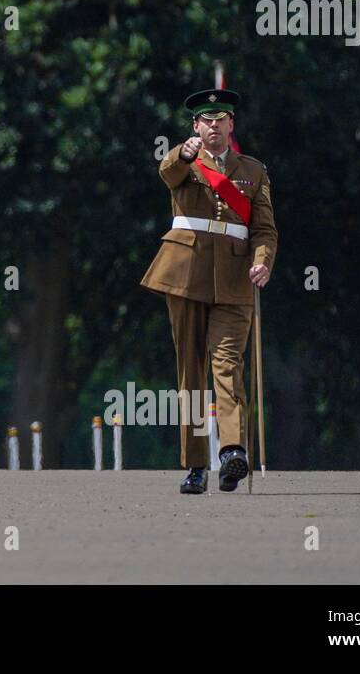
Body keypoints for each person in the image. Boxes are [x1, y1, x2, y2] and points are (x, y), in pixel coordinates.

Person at [140, 90, 277, 493]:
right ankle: (196, 465)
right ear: (195, 127)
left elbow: (265, 229)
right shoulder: (183, 161)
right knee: (191, 373)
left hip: (236, 278)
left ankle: (232, 452)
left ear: (231, 125)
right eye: (206, 120)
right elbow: (167, 173)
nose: (213, 126)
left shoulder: (253, 170)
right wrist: (183, 153)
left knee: (227, 365)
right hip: (185, 274)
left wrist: (263, 261)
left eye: (221, 119)